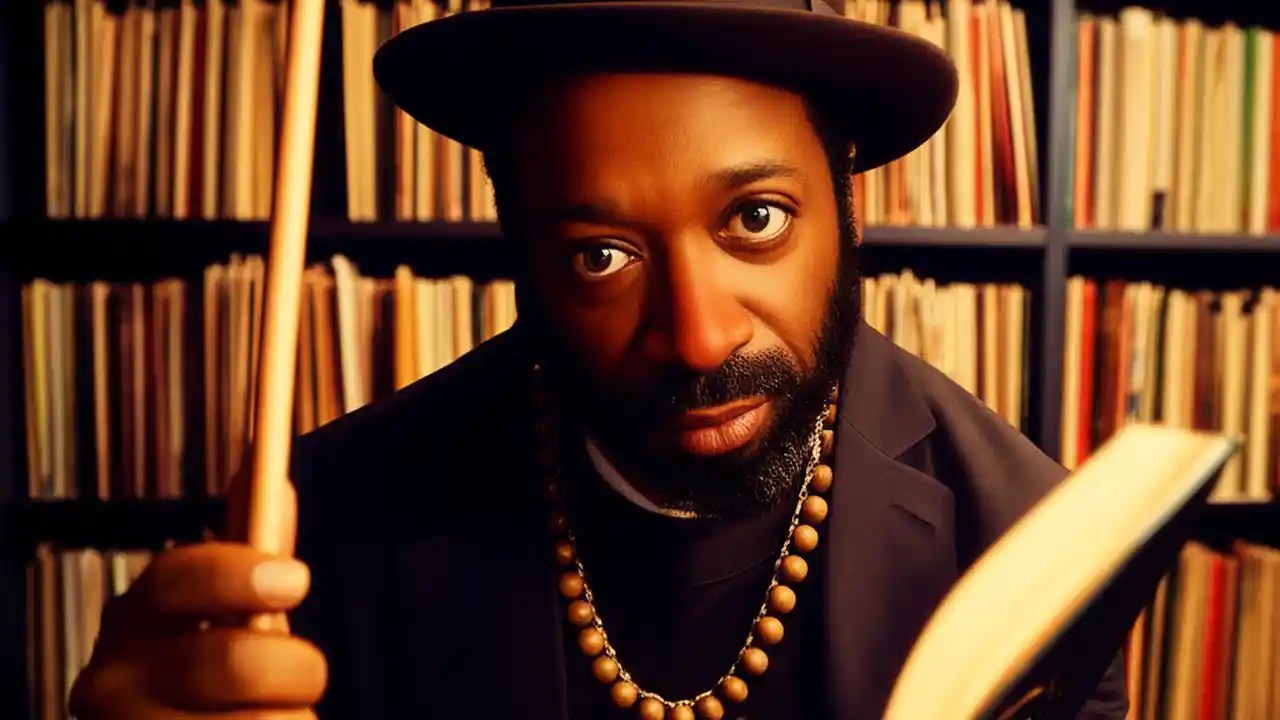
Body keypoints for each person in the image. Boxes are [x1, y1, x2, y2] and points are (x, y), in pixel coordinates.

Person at [69, 0, 1131, 718]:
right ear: (517, 247)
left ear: (849, 201)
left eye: (755, 217)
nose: (700, 334)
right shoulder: (321, 529)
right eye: (601, 254)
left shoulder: (1033, 555)